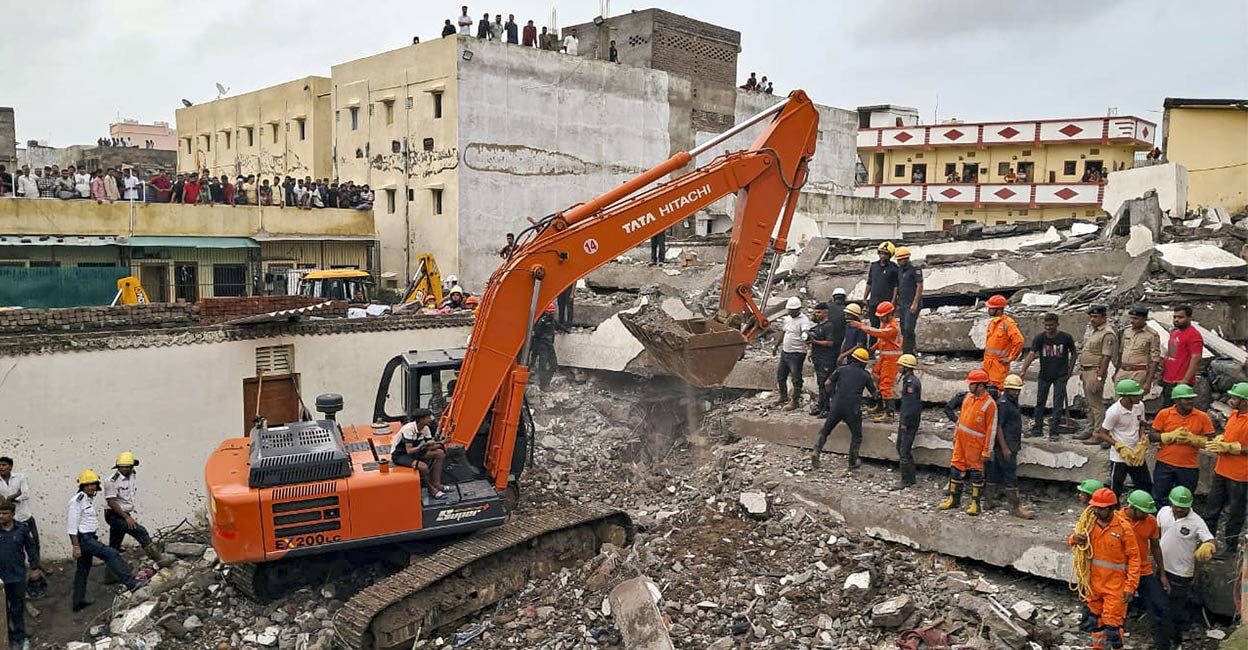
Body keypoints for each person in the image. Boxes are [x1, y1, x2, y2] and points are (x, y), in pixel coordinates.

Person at [1068, 487, 1141, 650]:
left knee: (1113, 627)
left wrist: (1131, 586)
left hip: (1115, 587)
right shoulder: (1089, 524)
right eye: (1095, 507)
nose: (1096, 510)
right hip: (1094, 583)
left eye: (1101, 508)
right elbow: (1075, 542)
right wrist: (1074, 539)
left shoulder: (1124, 529)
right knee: (1095, 621)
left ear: (1111, 508)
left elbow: (1134, 558)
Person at [68, 469, 147, 611]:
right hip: (84, 539)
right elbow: (72, 526)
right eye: (87, 485)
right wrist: (76, 546)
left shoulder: (87, 499)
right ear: (82, 486)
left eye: (92, 484)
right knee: (112, 554)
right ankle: (132, 583)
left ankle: (77, 601)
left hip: (89, 537)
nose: (90, 487)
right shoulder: (77, 501)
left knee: (83, 569)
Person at [1156, 486, 1215, 648]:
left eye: (1184, 508)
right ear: (1171, 504)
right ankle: (1163, 639)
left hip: (1181, 573)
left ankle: (1174, 640)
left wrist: (1208, 546)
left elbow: (1209, 539)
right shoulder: (1163, 513)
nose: (1180, 511)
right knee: (1160, 606)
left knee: (1174, 608)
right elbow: (1157, 534)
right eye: (1178, 508)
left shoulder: (1196, 522)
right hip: (1162, 568)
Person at [102, 452, 174, 581]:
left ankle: (109, 575)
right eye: (124, 467)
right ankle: (160, 560)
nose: (127, 469)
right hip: (115, 515)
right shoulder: (111, 481)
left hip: (123, 513)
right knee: (140, 531)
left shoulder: (132, 475)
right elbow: (111, 502)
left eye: (129, 467)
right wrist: (126, 517)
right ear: (119, 467)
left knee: (114, 545)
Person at [938, 369, 998, 516]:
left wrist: (987, 450)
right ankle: (954, 499)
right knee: (955, 468)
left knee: (976, 473)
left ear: (980, 385)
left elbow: (992, 429)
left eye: (972, 384)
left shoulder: (990, 405)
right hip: (961, 440)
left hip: (976, 443)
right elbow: (961, 419)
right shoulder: (967, 398)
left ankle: (975, 504)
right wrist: (956, 435)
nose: (969, 386)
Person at [811, 348, 878, 470]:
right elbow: (874, 394)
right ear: (864, 362)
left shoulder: (841, 369)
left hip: (837, 405)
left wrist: (832, 396)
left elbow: (827, 383)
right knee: (857, 435)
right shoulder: (865, 375)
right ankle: (852, 461)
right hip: (852, 408)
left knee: (825, 431)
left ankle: (816, 450)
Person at [1148, 384, 1213, 507]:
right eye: (1186, 399)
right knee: (1159, 498)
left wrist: (1194, 440)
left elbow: (1212, 440)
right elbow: (1152, 436)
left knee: (1184, 500)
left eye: (1191, 398)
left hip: (1189, 467)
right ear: (1176, 400)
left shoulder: (1202, 417)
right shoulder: (1164, 414)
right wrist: (1167, 436)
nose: (1190, 401)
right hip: (1164, 464)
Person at [1203, 382, 1248, 557]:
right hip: (1222, 470)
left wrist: (1235, 448)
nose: (1231, 400)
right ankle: (1207, 541)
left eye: (1235, 398)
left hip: (1240, 475)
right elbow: (1230, 435)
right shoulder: (1235, 415)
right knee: (1212, 508)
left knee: (1235, 512)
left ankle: (1230, 548)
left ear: (1244, 401)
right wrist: (1223, 439)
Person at [1122, 490, 1170, 650]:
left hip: (1143, 570)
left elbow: (1155, 547)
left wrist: (1162, 574)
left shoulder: (1150, 521)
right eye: (1143, 512)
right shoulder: (1116, 520)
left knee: (1160, 605)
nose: (1146, 515)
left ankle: (1162, 644)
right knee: (1115, 607)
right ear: (1132, 508)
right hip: (1122, 571)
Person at [1019, 312, 1077, 439]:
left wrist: (1070, 370)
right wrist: (1023, 370)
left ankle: (1054, 432)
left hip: (1060, 375)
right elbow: (1031, 354)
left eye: (1051, 325)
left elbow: (1074, 353)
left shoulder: (1066, 337)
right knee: (1040, 402)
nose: (1048, 328)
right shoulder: (1040, 338)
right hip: (1044, 375)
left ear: (1057, 324)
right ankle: (1037, 429)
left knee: (1057, 403)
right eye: (1046, 325)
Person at [1094, 379, 1152, 495]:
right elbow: (1102, 433)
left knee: (1145, 486)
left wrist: (1142, 437)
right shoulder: (1114, 412)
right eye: (1135, 395)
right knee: (1115, 489)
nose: (1139, 397)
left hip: (1136, 453)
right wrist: (1119, 446)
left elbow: (1141, 423)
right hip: (1120, 457)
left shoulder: (1139, 406)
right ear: (1125, 396)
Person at [990, 374, 1034, 518]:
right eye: (1013, 390)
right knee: (1010, 474)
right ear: (1007, 389)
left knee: (997, 471)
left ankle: (991, 499)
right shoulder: (1003, 404)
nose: (1016, 392)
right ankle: (1016, 507)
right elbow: (999, 427)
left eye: (1018, 390)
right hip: (1006, 444)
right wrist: (1004, 447)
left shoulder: (1012, 402)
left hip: (1012, 443)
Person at [850, 301, 902, 421]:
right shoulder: (885, 324)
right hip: (884, 356)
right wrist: (873, 348)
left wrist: (860, 325)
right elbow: (882, 339)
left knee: (886, 384)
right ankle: (879, 405)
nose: (880, 318)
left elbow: (879, 333)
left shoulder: (893, 327)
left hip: (892, 358)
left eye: (882, 316)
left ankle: (889, 413)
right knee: (875, 376)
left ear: (890, 314)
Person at [1076, 304, 1118, 442]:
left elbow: (1106, 356)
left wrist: (1100, 377)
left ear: (1103, 317)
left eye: (1095, 316)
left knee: (1096, 403)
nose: (1092, 319)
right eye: (1091, 316)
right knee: (1089, 402)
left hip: (1095, 370)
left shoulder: (1107, 333)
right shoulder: (1092, 331)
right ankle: (1090, 428)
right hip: (1086, 369)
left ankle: (1098, 433)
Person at [0, 501, 38, 650]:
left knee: (16, 608)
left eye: (4, 513)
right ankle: (5, 637)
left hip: (17, 577)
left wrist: (34, 568)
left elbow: (31, 548)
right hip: (0, 580)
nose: (1, 516)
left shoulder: (22, 529)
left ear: (13, 514)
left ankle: (19, 638)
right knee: (2, 610)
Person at [390, 409, 446, 498]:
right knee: (423, 467)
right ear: (421, 419)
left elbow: (429, 444)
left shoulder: (425, 428)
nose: (431, 419)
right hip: (401, 454)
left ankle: (437, 484)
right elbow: (409, 451)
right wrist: (423, 446)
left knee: (440, 453)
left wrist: (442, 443)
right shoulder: (408, 429)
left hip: (416, 451)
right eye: (428, 417)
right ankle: (431, 490)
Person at [773, 297, 812, 411]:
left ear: (798, 309)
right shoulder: (787, 319)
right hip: (786, 352)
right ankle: (783, 396)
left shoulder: (803, 320)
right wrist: (776, 345)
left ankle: (795, 401)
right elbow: (784, 332)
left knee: (796, 378)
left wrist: (809, 348)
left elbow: (806, 334)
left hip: (797, 353)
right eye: (789, 310)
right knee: (781, 375)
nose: (790, 312)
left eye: (792, 310)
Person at [1160, 306, 1202, 408]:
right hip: (1168, 379)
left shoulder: (1194, 335)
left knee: (1178, 411)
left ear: (1189, 318)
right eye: (1174, 317)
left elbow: (1196, 358)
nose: (1176, 320)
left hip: (1180, 381)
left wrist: (1186, 379)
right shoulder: (1174, 333)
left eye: (1180, 317)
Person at [981, 294, 1024, 391]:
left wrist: (1010, 358)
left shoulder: (1008, 323)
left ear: (999, 309)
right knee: (988, 389)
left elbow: (1019, 341)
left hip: (999, 365)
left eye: (991, 308)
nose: (989, 310)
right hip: (988, 364)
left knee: (997, 389)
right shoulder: (992, 323)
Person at [1115, 305, 1160, 396]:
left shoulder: (1152, 335)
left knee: (1134, 401)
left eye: (1136, 318)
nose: (1132, 321)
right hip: (1123, 371)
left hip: (1138, 373)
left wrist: (1148, 382)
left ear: (1144, 319)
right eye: (1131, 318)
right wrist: (1116, 372)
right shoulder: (1127, 331)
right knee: (1119, 401)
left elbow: (1155, 360)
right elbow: (1121, 352)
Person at [892, 354, 921, 489]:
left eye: (900, 365)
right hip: (907, 419)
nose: (898, 367)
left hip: (909, 421)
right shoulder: (908, 380)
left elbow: (911, 405)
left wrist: (905, 422)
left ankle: (906, 480)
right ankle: (910, 477)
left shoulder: (911, 383)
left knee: (904, 450)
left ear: (906, 367)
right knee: (901, 447)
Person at [806, 303, 840, 419]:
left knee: (826, 384)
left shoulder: (829, 326)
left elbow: (830, 343)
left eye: (819, 312)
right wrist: (811, 350)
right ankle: (821, 405)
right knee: (820, 384)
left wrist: (815, 342)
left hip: (827, 359)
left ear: (826, 312)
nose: (816, 314)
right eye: (816, 312)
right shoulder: (817, 327)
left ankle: (827, 408)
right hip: (818, 358)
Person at [864, 242, 899, 338]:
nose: (882, 256)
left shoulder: (894, 268)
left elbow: (896, 285)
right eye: (881, 253)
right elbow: (869, 282)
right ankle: (872, 347)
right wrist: (865, 297)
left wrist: (893, 300)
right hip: (874, 300)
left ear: (890, 255)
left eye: (885, 254)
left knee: (885, 326)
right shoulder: (874, 266)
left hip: (886, 302)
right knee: (874, 326)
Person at [530, 304, 567, 389]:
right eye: (550, 312)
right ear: (546, 312)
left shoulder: (551, 320)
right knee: (542, 366)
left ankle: (546, 382)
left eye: (553, 312)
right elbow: (536, 333)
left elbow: (557, 325)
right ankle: (543, 385)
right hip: (543, 346)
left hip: (550, 345)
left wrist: (566, 330)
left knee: (553, 365)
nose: (552, 314)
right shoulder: (542, 321)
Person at [894, 247, 923, 356]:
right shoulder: (900, 270)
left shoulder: (915, 269)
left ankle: (907, 352)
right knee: (903, 328)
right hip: (903, 303)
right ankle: (912, 348)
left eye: (900, 260)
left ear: (906, 259)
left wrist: (915, 303)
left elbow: (919, 286)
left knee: (908, 328)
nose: (898, 262)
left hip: (912, 303)